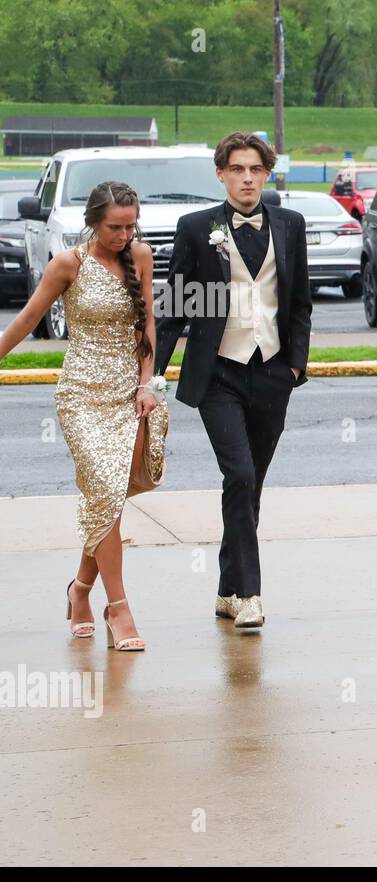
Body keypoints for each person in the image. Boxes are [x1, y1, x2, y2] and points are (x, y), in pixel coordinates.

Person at [154, 131, 312, 629]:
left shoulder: (290, 224)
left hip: (272, 371)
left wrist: (294, 367)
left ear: (267, 174)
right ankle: (248, 594)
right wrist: (153, 373)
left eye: (255, 169)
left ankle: (226, 586)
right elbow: (176, 304)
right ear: (220, 174)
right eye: (237, 169)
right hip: (218, 370)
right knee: (239, 476)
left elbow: (301, 302)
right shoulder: (196, 227)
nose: (247, 178)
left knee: (250, 484)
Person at [0, 181, 166, 651]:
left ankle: (79, 591)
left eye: (130, 225)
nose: (123, 234)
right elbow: (28, 319)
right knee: (103, 491)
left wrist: (147, 382)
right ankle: (120, 609)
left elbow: (147, 322)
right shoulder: (67, 263)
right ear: (93, 222)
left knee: (108, 500)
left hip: (128, 393)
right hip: (80, 396)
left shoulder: (141, 256)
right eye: (115, 226)